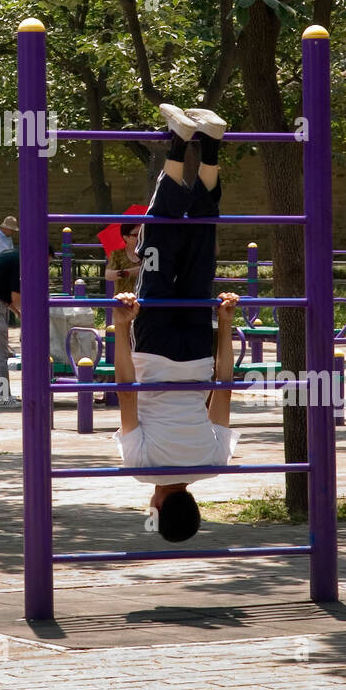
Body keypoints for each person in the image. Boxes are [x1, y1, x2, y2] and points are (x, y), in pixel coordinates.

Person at [111, 103, 241, 542]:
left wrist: (224, 323)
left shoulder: (214, 463)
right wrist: (121, 324)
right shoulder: (141, 469)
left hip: (199, 354)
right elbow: (127, 389)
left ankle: (210, 145)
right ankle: (179, 140)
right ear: (158, 507)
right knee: (160, 236)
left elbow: (222, 386)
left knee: (202, 239)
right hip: (154, 347)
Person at [0, 244, 55, 409]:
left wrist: (18, 312)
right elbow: (15, 296)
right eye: (46, 262)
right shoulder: (20, 262)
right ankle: (1, 398)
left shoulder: (12, 255)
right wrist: (31, 310)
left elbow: (3, 292)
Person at [105, 223, 141, 296]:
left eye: (142, 233)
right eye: (136, 235)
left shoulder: (149, 253)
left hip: (143, 300)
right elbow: (108, 275)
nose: (140, 237)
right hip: (122, 300)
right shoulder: (117, 254)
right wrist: (131, 272)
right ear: (125, 237)